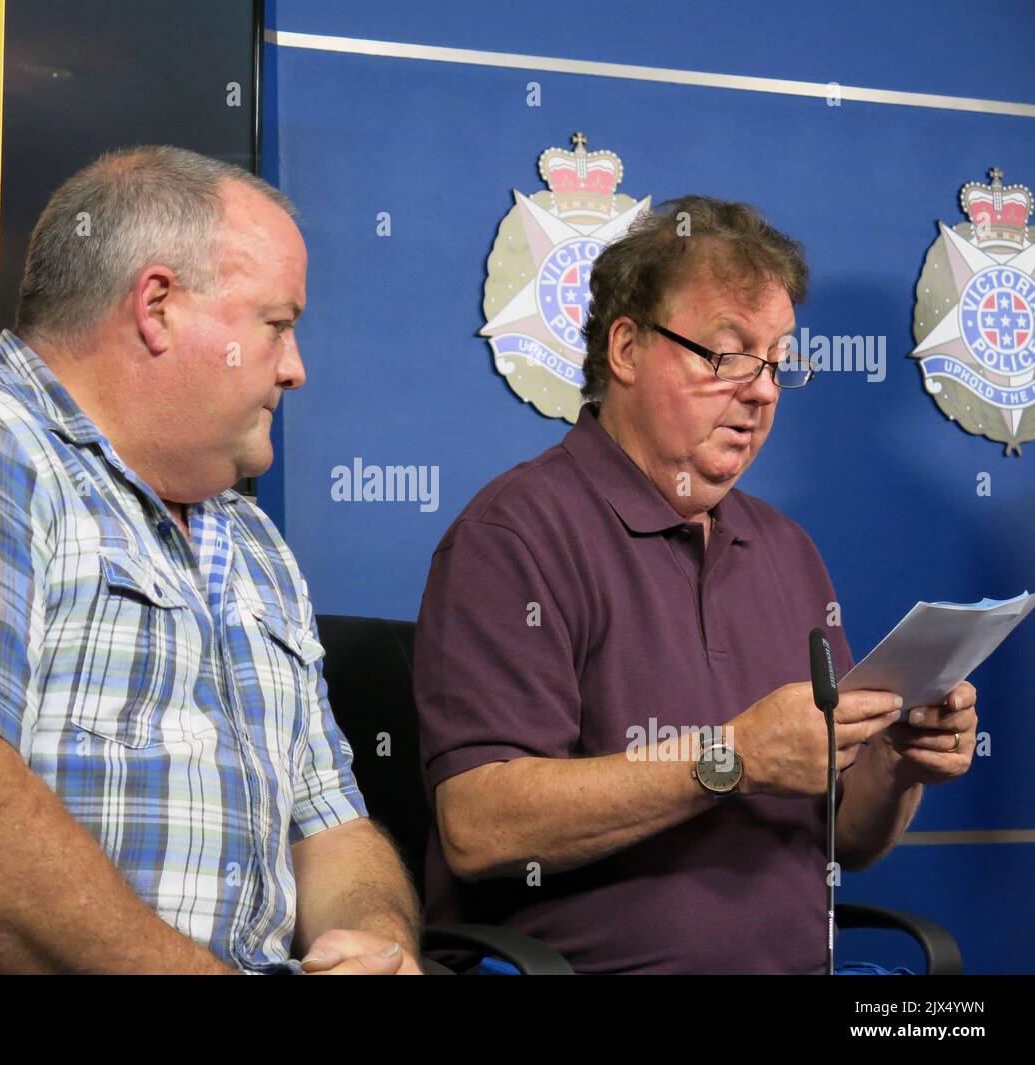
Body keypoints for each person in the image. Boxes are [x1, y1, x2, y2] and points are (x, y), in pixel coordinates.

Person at [0, 146, 421, 975]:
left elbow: (334, 827)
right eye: (278, 325)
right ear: (157, 307)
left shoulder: (256, 547)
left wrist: (377, 944)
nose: (295, 368)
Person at [414, 196, 979, 975]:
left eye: (778, 360)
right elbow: (479, 824)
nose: (762, 390)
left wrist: (897, 767)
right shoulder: (514, 535)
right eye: (726, 355)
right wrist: (734, 755)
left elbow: (849, 835)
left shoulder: (788, 550)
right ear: (626, 348)